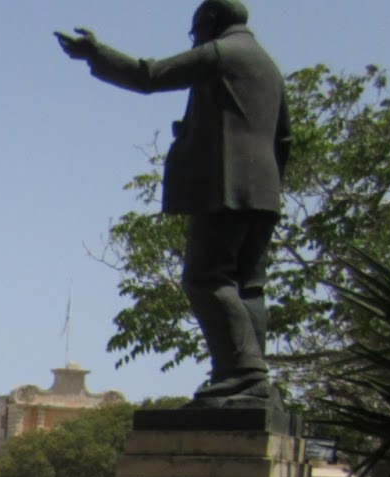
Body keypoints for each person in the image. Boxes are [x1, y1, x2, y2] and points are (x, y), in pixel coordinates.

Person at [57, 2, 289, 409]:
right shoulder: (269, 67)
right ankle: (244, 380)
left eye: (195, 31)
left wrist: (96, 54)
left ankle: (242, 373)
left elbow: (152, 75)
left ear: (211, 23)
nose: (195, 39)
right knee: (249, 286)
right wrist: (267, 186)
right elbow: (284, 139)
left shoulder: (222, 52)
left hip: (226, 187)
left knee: (205, 277)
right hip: (265, 194)